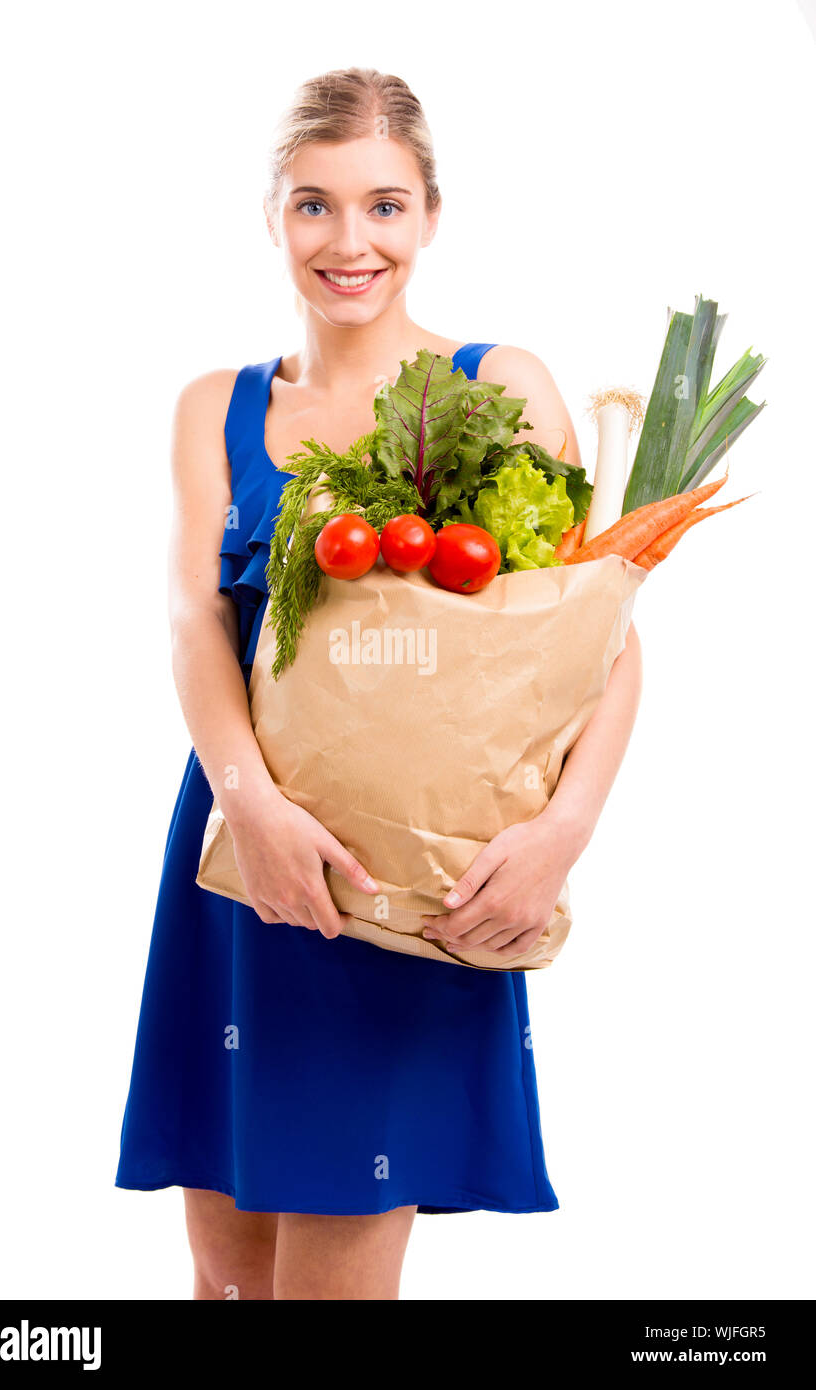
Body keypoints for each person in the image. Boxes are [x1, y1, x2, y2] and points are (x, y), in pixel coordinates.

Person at [115, 66, 642, 1301]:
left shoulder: (498, 386)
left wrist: (563, 831)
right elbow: (195, 620)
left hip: (405, 880)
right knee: (226, 1284)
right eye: (313, 206)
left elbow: (596, 639)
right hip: (244, 861)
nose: (349, 243)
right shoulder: (215, 408)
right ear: (271, 217)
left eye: (383, 206)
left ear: (430, 215)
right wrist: (246, 801)